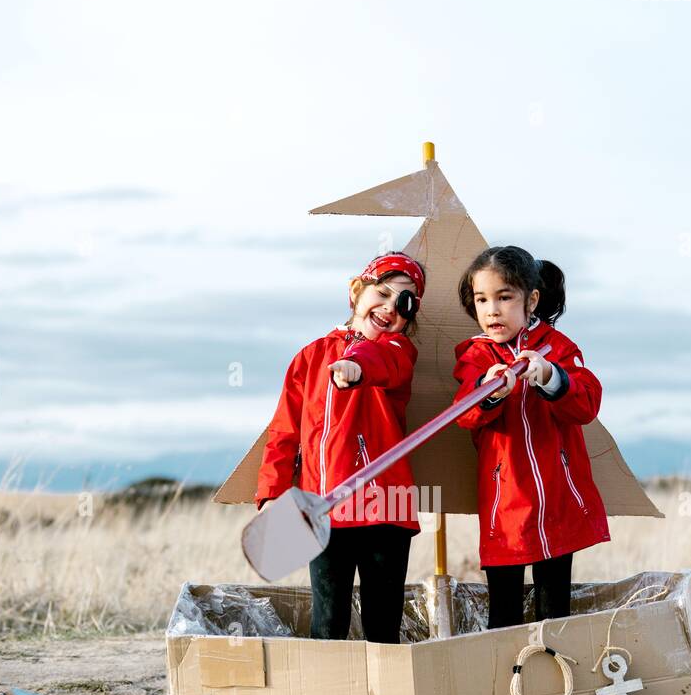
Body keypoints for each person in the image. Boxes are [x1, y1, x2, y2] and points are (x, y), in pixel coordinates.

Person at [256, 252, 425, 642]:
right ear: (356, 290)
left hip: (387, 507)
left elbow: (378, 360)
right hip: (323, 509)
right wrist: (272, 494)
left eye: (404, 304)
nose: (389, 309)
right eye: (382, 294)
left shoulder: (398, 351)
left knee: (383, 626)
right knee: (327, 622)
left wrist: (356, 367)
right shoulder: (310, 357)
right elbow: (284, 433)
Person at [453, 245, 609, 629]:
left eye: (504, 298)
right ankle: (507, 686)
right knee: (503, 614)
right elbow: (464, 414)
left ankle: (555, 685)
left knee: (554, 611)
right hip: (504, 507)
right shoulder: (476, 356)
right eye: (482, 299)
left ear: (531, 299)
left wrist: (550, 376)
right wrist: (488, 390)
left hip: (559, 500)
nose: (492, 310)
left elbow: (586, 404)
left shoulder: (559, 348)